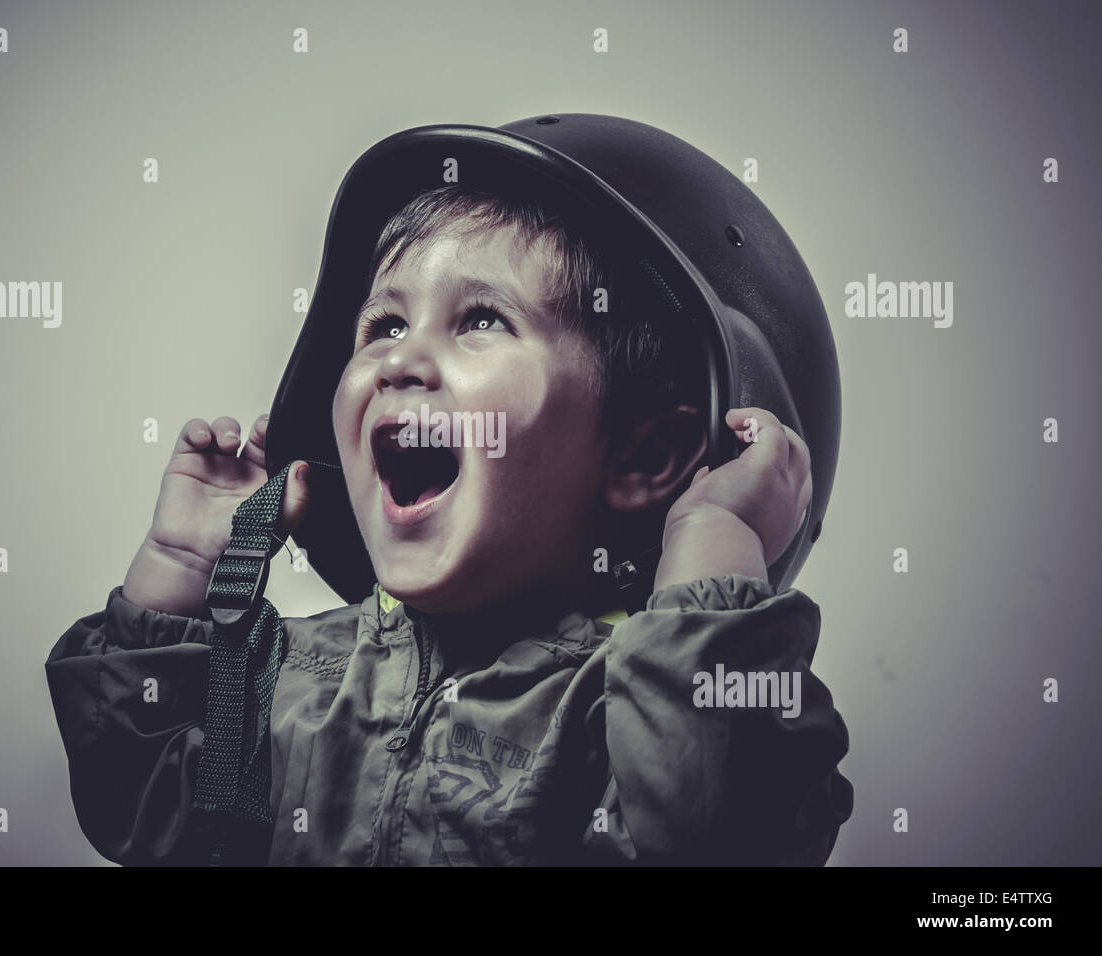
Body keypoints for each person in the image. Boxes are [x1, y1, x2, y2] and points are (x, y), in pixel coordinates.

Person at [45, 115, 853, 866]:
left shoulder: (625, 718)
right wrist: (182, 571)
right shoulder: (284, 678)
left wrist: (716, 536)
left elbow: (725, 826)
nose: (397, 360)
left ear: (648, 457)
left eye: (481, 321)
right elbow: (140, 803)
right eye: (386, 325)